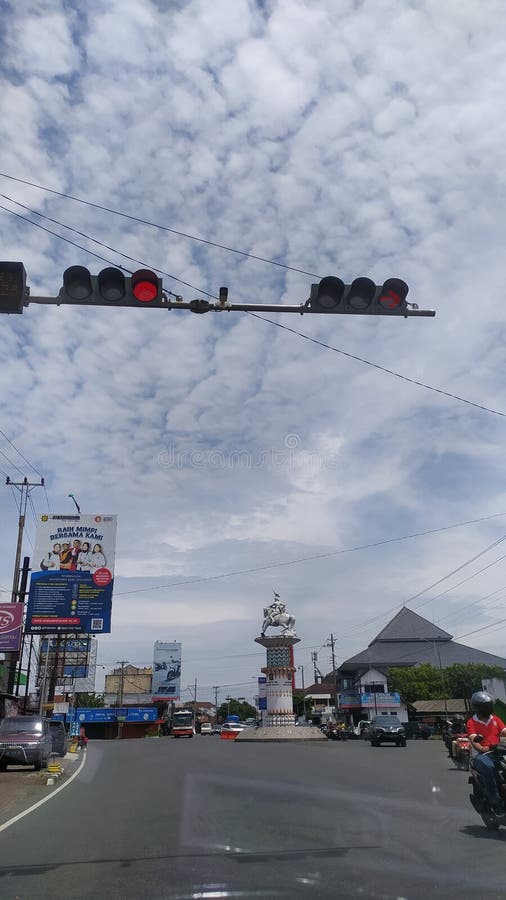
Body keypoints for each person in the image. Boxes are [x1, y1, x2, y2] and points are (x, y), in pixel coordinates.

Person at [467, 691, 506, 815]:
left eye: (490, 705)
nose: (489, 708)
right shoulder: (471, 722)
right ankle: (495, 801)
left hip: (498, 752)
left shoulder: (495, 719)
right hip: (481, 756)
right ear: (478, 707)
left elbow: (504, 731)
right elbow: (473, 739)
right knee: (489, 767)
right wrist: (482, 748)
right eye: (486, 706)